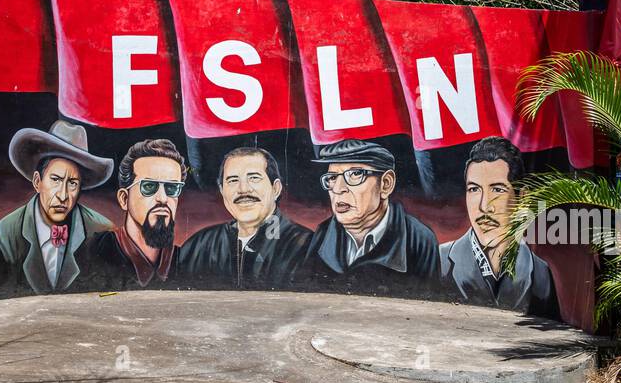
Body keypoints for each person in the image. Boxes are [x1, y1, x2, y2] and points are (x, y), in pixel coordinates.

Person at [0, 120, 114, 301]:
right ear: (37, 182)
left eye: (72, 183)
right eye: (55, 180)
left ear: (80, 189)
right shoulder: (7, 232)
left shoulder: (101, 230)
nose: (63, 195)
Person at [298, 139, 439, 297]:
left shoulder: (418, 239)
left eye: (355, 174)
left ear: (386, 184)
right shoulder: (323, 234)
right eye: (332, 178)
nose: (338, 189)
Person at [439, 136, 559, 318]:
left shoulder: (540, 272)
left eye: (497, 189)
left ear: (523, 197)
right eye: (474, 189)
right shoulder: (439, 260)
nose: (484, 206)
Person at [177, 147, 312, 289]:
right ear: (222, 191)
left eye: (254, 178)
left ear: (275, 189)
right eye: (233, 180)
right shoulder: (198, 246)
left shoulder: (306, 247)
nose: (243, 189)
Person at [82, 138, 186, 290]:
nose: (163, 198)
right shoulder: (91, 252)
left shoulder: (187, 260)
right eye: (149, 186)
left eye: (172, 188)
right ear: (124, 199)